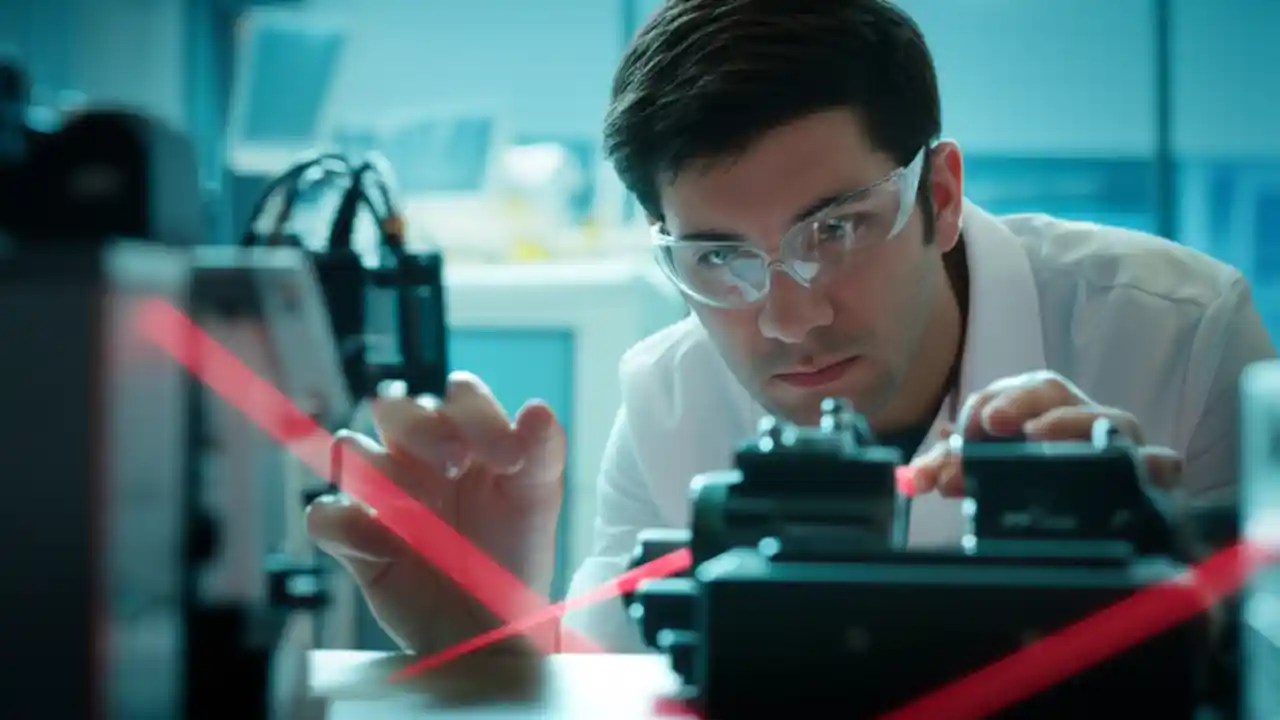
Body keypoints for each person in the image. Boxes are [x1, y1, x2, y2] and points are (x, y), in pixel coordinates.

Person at [305, 0, 1277, 657]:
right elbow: (620, 689)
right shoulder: (665, 401)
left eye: (836, 228)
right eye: (718, 257)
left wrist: (1194, 608)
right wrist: (505, 657)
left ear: (938, 196)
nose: (786, 317)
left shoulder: (1177, 342)